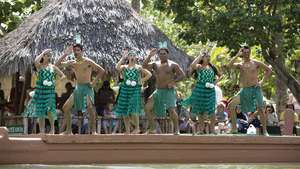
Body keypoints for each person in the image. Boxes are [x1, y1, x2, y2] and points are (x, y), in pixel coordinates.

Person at [55, 44, 105, 135]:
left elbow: (102, 70)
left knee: (90, 108)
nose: (76, 52)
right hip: (78, 87)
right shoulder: (72, 62)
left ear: (82, 51)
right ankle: (68, 130)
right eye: (75, 50)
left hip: (87, 87)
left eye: (78, 50)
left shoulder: (88, 61)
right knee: (65, 108)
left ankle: (93, 130)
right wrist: (65, 54)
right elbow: (56, 65)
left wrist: (94, 82)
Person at [226, 44, 271, 135]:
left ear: (250, 52)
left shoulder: (255, 63)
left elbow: (268, 70)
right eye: (244, 52)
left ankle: (265, 131)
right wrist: (237, 55)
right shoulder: (240, 64)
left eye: (248, 52)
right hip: (245, 90)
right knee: (231, 105)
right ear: (242, 53)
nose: (246, 54)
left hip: (255, 89)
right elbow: (229, 65)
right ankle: (234, 129)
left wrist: (262, 82)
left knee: (261, 108)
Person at [143, 42, 185, 135]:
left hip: (169, 91)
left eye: (164, 53)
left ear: (167, 54)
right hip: (158, 91)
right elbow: (144, 66)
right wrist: (149, 55)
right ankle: (153, 128)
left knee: (171, 110)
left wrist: (174, 82)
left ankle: (176, 129)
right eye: (160, 53)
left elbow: (182, 75)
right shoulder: (155, 64)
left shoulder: (173, 65)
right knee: (147, 108)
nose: (162, 55)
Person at [26, 49, 65, 134]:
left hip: (50, 91)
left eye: (50, 55)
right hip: (41, 91)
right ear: (43, 56)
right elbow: (36, 61)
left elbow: (63, 76)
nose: (49, 57)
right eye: (47, 55)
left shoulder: (53, 67)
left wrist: (55, 82)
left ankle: (52, 129)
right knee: (41, 111)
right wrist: (43, 52)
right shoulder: (39, 66)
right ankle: (42, 131)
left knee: (50, 109)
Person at [181, 51, 221, 135]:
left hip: (210, 90)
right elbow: (192, 66)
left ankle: (213, 129)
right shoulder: (199, 66)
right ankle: (201, 130)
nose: (208, 58)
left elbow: (220, 76)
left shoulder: (212, 67)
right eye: (206, 56)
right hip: (200, 89)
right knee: (200, 110)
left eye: (209, 56)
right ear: (203, 58)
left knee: (211, 110)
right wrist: (200, 56)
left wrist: (214, 83)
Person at [114, 49, 152, 134]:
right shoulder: (124, 67)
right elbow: (117, 67)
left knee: (134, 108)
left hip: (135, 90)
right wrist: (123, 58)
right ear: (128, 57)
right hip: (125, 90)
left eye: (133, 56)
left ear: (136, 58)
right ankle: (127, 130)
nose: (132, 57)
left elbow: (149, 74)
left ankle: (137, 128)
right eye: (130, 55)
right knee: (124, 110)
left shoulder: (138, 67)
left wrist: (141, 80)